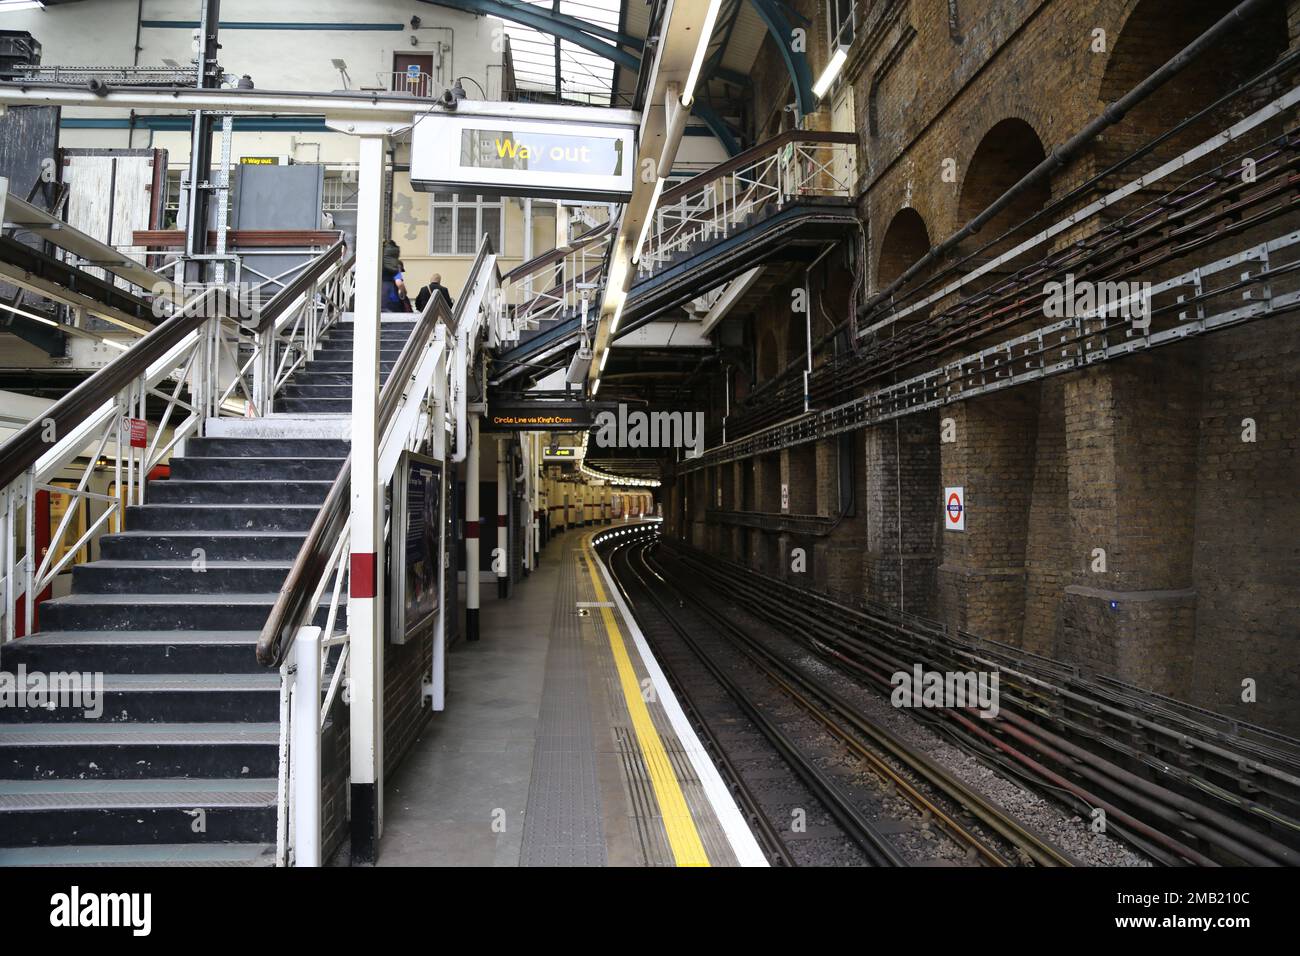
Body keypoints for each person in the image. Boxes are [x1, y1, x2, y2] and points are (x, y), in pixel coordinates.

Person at [381, 240, 406, 311]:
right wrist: (404, 292)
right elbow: (399, 283)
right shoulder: (395, 265)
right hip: (391, 299)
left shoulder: (376, 263)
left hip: (377, 299)